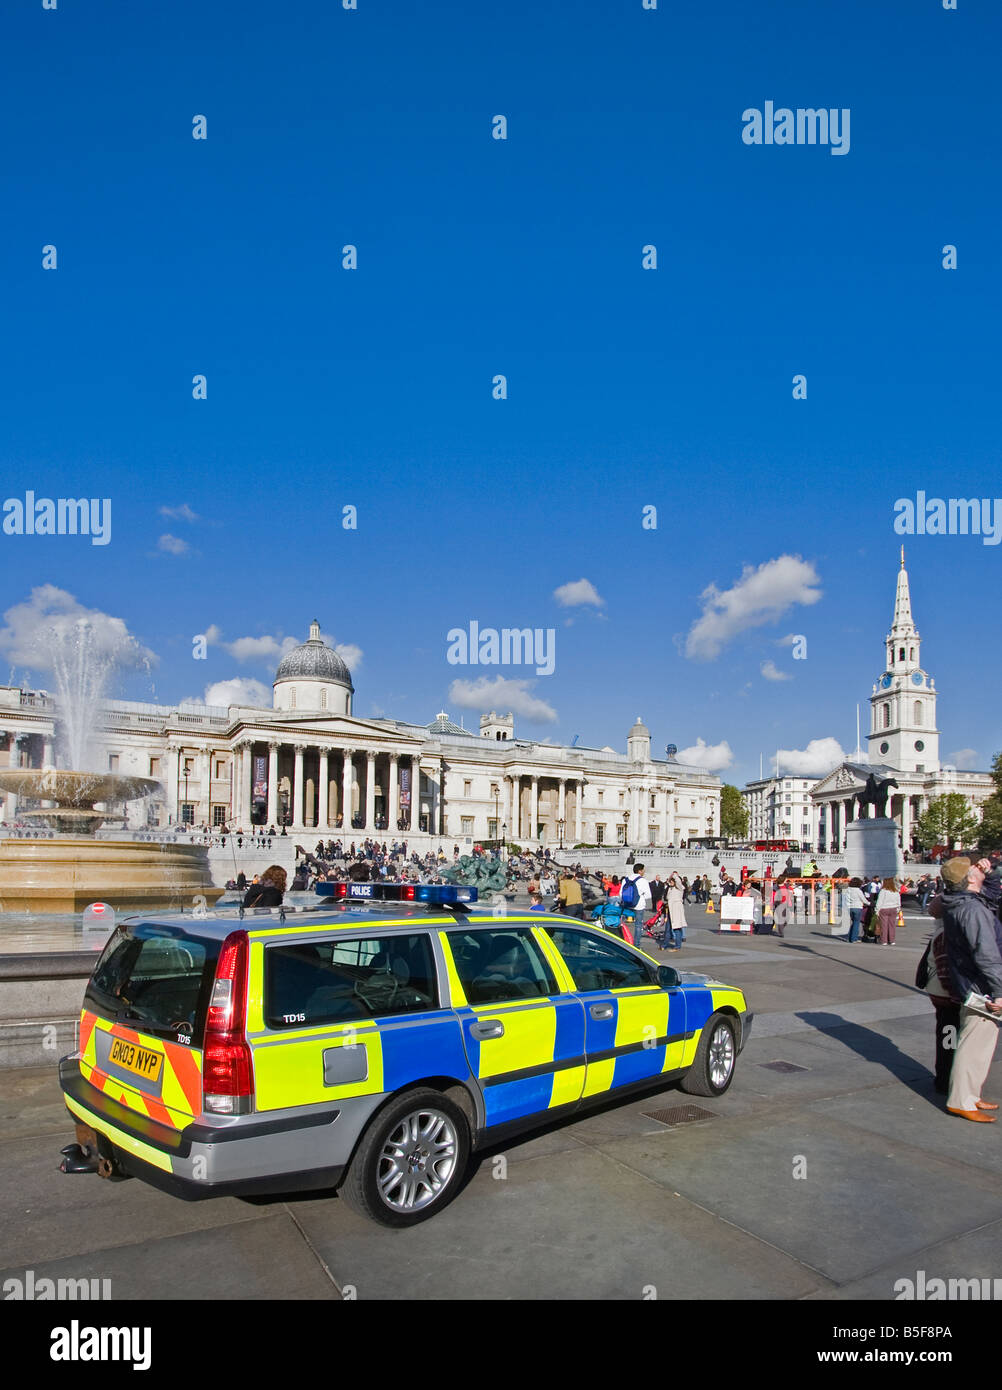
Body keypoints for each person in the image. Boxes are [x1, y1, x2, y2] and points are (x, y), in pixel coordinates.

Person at [940, 856, 1002, 1122]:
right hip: (982, 986)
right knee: (974, 1044)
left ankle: (971, 1094)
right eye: (974, 867)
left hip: (970, 981)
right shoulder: (973, 910)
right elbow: (986, 953)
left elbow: (991, 893)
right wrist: (999, 990)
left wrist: (992, 871)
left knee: (981, 1044)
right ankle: (961, 1100)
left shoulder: (961, 902)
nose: (979, 866)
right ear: (970, 879)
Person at [620, 863, 653, 948]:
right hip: (639, 905)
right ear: (640, 871)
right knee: (638, 926)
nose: (644, 871)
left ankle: (623, 943)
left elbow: (621, 894)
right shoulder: (643, 880)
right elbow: (649, 895)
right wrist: (640, 897)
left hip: (626, 905)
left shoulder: (625, 880)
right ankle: (636, 945)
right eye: (643, 870)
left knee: (623, 924)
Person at [664, 871, 687, 951]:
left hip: (676, 910)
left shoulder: (680, 888)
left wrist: (674, 875)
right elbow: (667, 897)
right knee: (668, 928)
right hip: (670, 910)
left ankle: (677, 946)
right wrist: (670, 879)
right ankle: (665, 944)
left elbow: (678, 881)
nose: (671, 882)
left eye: (672, 881)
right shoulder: (670, 888)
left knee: (677, 928)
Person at [875, 877, 901, 945]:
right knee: (892, 925)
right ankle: (892, 940)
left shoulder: (883, 891)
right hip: (893, 909)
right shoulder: (896, 890)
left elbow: (880, 901)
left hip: (884, 909)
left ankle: (884, 940)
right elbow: (898, 901)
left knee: (884, 925)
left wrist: (877, 910)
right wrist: (898, 909)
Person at [844, 877, 866, 943]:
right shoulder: (858, 891)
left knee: (853, 922)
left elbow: (846, 899)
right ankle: (854, 938)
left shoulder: (848, 890)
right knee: (856, 923)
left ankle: (849, 938)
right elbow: (863, 899)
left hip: (850, 908)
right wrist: (869, 903)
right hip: (857, 907)